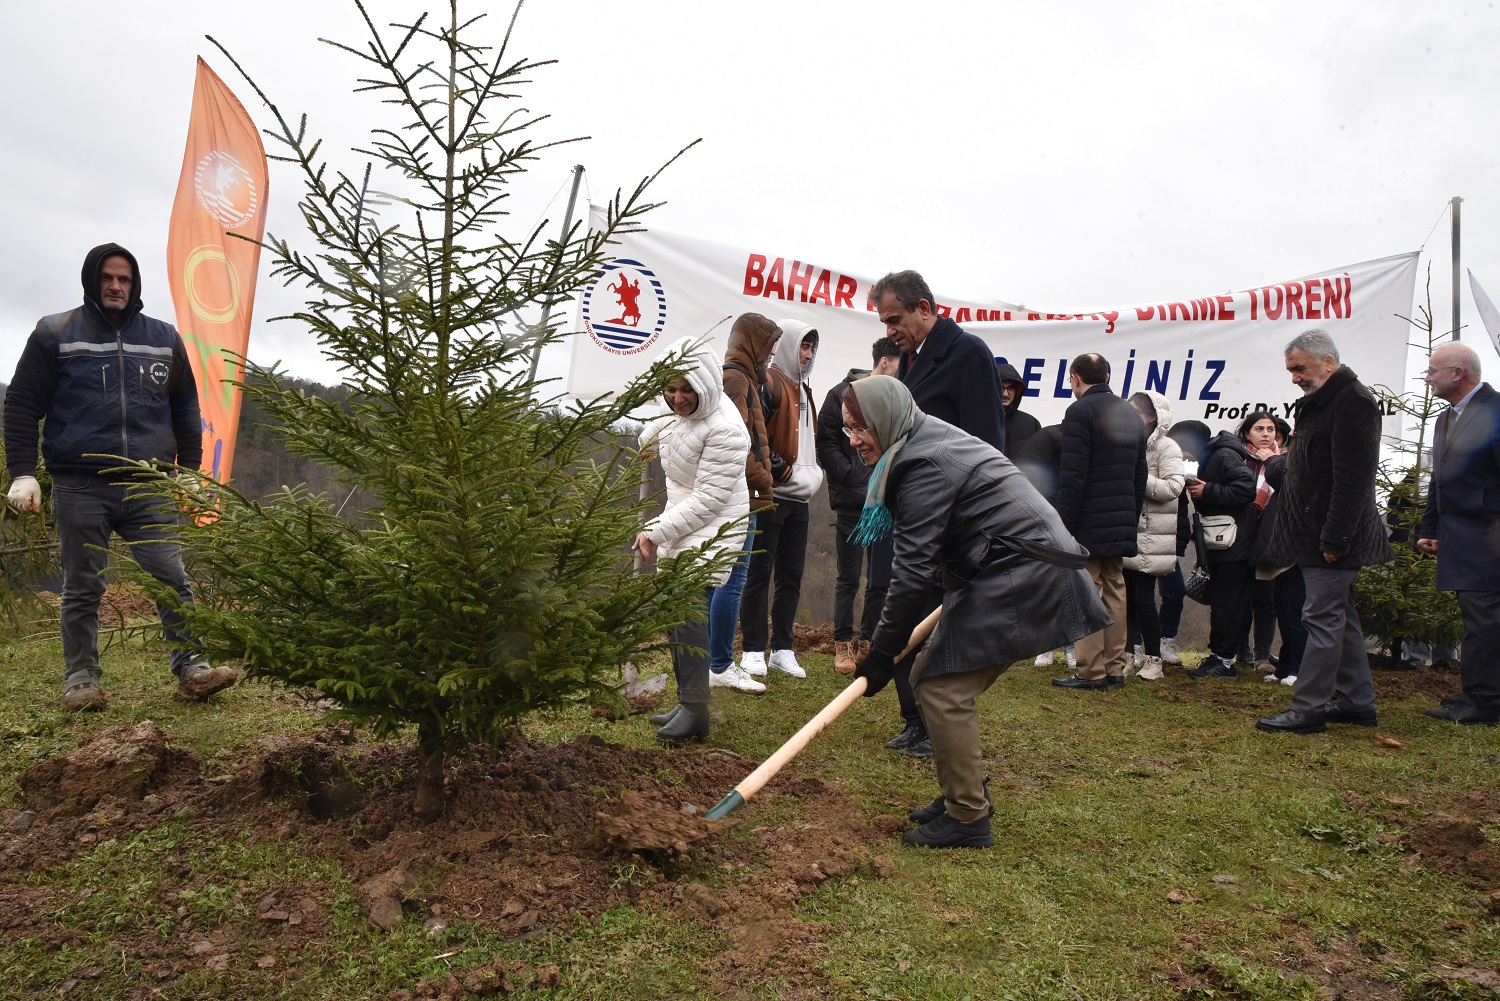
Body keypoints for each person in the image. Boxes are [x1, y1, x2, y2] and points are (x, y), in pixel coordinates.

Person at [846, 376, 1108, 848]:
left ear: (885, 421)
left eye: (861, 428)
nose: (855, 440)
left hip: (1029, 571)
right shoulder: (921, 438)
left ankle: (967, 817)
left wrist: (882, 654)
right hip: (1005, 564)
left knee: (942, 687)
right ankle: (961, 793)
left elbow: (910, 574)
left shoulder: (924, 461)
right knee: (930, 671)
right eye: (848, 429)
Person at [3, 243, 237, 711]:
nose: (115, 286)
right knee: (82, 585)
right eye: (107, 277)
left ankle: (193, 666)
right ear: (93, 280)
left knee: (171, 577)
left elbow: (186, 408)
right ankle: (82, 680)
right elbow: (23, 404)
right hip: (80, 485)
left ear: (135, 284)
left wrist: (189, 472)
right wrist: (23, 472)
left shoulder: (164, 337)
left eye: (124, 279)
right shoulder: (55, 332)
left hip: (149, 484)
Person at [866, 270, 1008, 756]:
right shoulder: (908, 363)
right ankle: (913, 718)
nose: (889, 330)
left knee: (931, 620)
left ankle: (933, 723)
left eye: (895, 318)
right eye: (884, 322)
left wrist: (968, 518)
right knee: (899, 606)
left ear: (924, 308)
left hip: (948, 518)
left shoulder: (968, 355)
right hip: (910, 512)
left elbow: (987, 442)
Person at [1259, 330, 1392, 733]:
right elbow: (1309, 469)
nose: (1294, 377)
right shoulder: (1320, 403)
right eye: (1291, 370)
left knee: (1319, 617)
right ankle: (1356, 703)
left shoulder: (1353, 402)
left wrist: (1336, 539)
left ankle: (1309, 707)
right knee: (1341, 618)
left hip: (1332, 538)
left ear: (1328, 362)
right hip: (1315, 535)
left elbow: (1352, 481)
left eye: (1299, 368)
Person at [635, 338, 751, 742]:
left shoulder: (726, 429)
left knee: (688, 610)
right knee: (676, 610)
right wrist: (644, 439)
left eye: (686, 389)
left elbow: (709, 498)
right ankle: (688, 698)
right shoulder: (690, 412)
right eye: (670, 389)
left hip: (715, 522)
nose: (678, 398)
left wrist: (655, 531)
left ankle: (697, 711)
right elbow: (671, 427)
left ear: (704, 384)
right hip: (686, 516)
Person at [1050, 353, 1148, 691]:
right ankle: (1115, 668)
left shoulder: (1079, 411)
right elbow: (1140, 473)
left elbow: (1073, 474)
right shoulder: (1131, 414)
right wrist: (1129, 519)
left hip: (1088, 521)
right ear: (1107, 375)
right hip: (1121, 518)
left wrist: (1063, 524)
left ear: (1074, 379)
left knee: (1086, 591)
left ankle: (1090, 671)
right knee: (1116, 590)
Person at [1417, 342, 1500, 726]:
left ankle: (1486, 702)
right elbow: (1440, 479)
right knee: (1477, 619)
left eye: (1433, 370)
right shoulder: (1445, 418)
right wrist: (1431, 526)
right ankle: (1476, 692)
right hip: (1459, 535)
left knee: (1485, 621)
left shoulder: (1496, 411)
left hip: (1488, 537)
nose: (1427, 376)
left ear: (1458, 373)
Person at [738, 320, 822, 681]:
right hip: (770, 495)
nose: (808, 355)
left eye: (812, 349)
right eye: (803, 346)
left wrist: (809, 475)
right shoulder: (768, 383)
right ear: (788, 345)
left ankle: (783, 649)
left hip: (799, 501)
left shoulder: (806, 390)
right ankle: (753, 650)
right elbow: (754, 438)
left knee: (792, 575)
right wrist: (783, 472)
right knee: (758, 574)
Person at [816, 337, 900, 674]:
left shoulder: (892, 397)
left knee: (880, 578)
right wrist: (854, 476)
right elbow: (826, 445)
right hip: (852, 503)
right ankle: (842, 646)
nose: (901, 374)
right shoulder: (839, 395)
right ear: (883, 363)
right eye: (897, 367)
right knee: (848, 578)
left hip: (883, 502)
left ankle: (868, 643)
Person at [708, 313, 780, 695]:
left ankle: (715, 662)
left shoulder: (746, 378)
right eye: (768, 345)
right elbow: (738, 444)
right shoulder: (735, 379)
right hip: (742, 495)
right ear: (752, 343)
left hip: (745, 493)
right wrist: (764, 479)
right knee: (731, 582)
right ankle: (719, 664)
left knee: (729, 580)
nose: (771, 354)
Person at [1168, 420, 1257, 678]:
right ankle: (1219, 655)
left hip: (1235, 543)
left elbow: (1246, 489)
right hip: (1222, 542)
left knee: (1226, 601)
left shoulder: (1224, 455)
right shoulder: (1210, 458)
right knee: (1220, 599)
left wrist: (1209, 490)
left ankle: (1224, 660)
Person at [1237, 411, 1307, 687]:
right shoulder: (1241, 458)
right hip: (1264, 544)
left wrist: (1273, 461)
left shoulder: (1291, 459)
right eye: (1260, 429)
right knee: (1280, 604)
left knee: (1293, 609)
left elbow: (1289, 485)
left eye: (1272, 429)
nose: (1267, 434)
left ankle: (1296, 669)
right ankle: (1284, 667)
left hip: (1290, 544)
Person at [1121, 392, 1184, 681]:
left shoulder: (1167, 447)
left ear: (1151, 417)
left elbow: (1173, 487)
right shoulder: (1128, 444)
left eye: (1135, 411)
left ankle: (1153, 659)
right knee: (1127, 599)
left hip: (1152, 537)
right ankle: (1127, 653)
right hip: (1128, 531)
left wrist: (1137, 477)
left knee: (1144, 599)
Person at [998, 363, 1041, 458]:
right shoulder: (978, 421)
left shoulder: (1032, 424)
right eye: (1001, 388)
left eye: (1010, 388)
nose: (1005, 394)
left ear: (1017, 391)